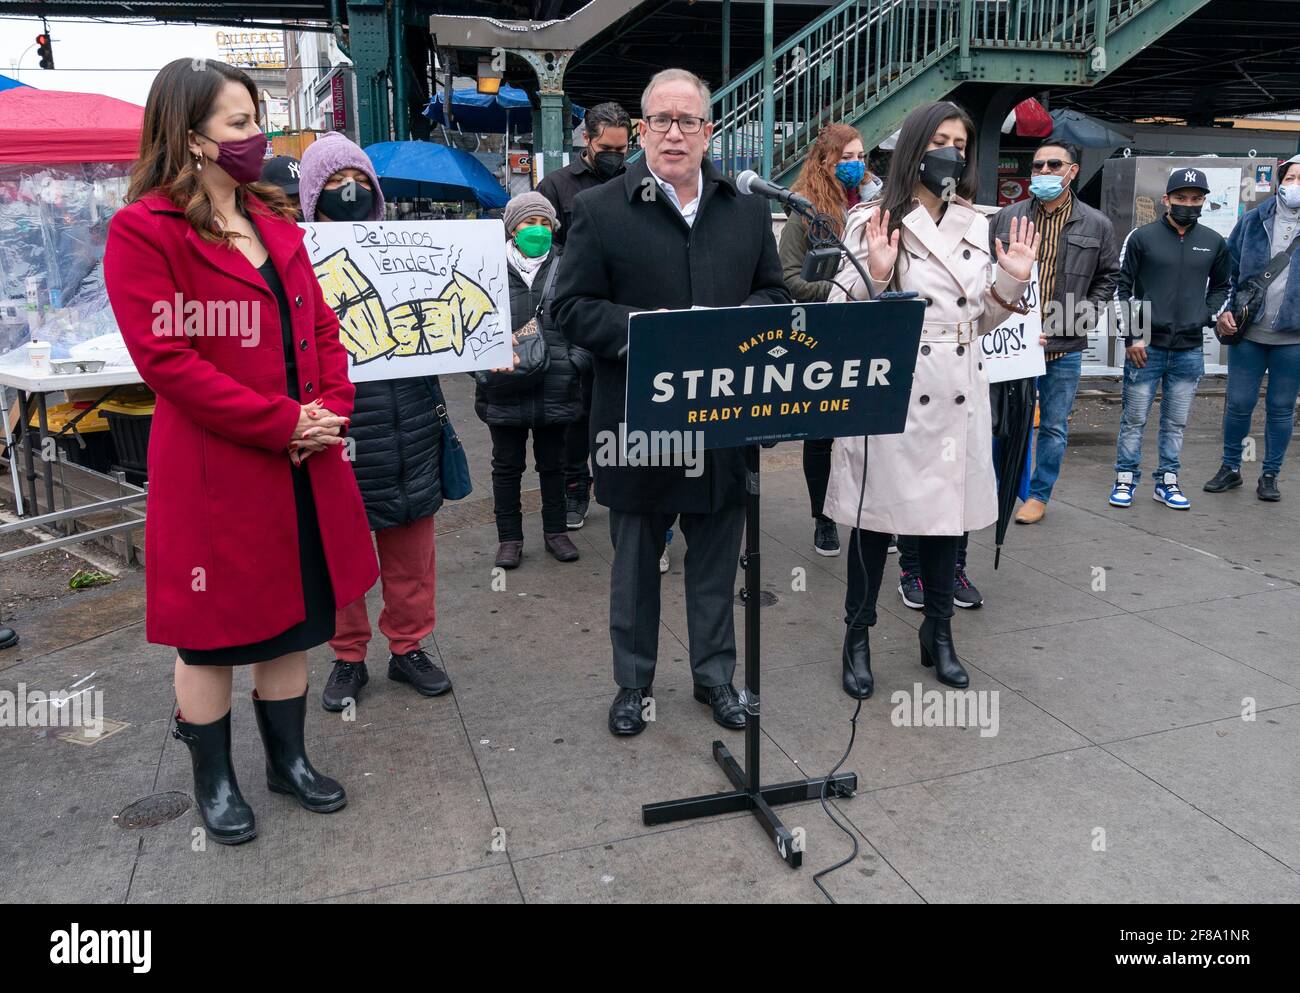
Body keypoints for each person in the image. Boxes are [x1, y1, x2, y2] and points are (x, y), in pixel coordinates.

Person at [103, 59, 379, 844]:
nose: (256, 136)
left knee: (291, 619)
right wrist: (282, 422)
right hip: (219, 472)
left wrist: (330, 408)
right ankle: (215, 779)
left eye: (255, 119)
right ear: (187, 138)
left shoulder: (275, 221)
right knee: (214, 632)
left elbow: (322, 329)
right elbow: (170, 363)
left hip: (301, 459)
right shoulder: (145, 231)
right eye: (237, 124)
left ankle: (287, 762)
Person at [553, 68, 789, 736]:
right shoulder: (601, 209)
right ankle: (634, 683)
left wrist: (734, 326)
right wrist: (649, 335)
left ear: (709, 131)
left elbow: (774, 293)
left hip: (721, 423)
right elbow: (569, 308)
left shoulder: (743, 208)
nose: (676, 133)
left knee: (716, 559)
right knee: (635, 565)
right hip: (637, 421)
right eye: (662, 120)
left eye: (689, 121)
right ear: (642, 130)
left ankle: (716, 677)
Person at [821, 99, 1037, 699]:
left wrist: (1011, 280)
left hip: (959, 388)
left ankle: (937, 633)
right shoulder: (874, 219)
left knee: (948, 524)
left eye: (961, 144)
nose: (951, 153)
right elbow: (842, 316)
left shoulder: (977, 222)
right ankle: (857, 636)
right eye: (940, 139)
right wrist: (881, 276)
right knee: (873, 521)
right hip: (894, 391)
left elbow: (981, 320)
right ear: (915, 147)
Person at [297, 132, 453, 711]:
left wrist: (487, 349)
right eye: (336, 183)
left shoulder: (408, 248)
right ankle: (347, 656)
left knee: (412, 551)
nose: (351, 192)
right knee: (341, 552)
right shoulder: (294, 262)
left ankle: (408, 647)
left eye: (361, 181)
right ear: (313, 196)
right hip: (336, 429)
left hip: (409, 421)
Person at [993, 139, 1120, 524]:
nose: (1044, 172)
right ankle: (999, 487)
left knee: (1052, 424)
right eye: (1038, 166)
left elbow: (1107, 277)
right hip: (1012, 344)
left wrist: (1073, 322)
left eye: (1053, 165)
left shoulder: (1096, 224)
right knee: (1003, 421)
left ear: (1072, 171)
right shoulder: (1007, 218)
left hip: (1063, 348)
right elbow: (986, 271)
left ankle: (1038, 495)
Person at [778, 123, 883, 557]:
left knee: (870, 429)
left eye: (861, 156)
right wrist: (845, 291)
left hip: (871, 335)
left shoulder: (880, 206)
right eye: (847, 157)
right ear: (826, 162)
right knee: (822, 433)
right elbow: (788, 279)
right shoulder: (805, 213)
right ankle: (824, 517)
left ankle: (872, 513)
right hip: (824, 336)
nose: (856, 164)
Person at [1110, 167, 1231, 511]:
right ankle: (1125, 478)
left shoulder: (1213, 241)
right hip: (1145, 347)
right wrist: (1133, 335)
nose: (1188, 204)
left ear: (1204, 201)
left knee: (1176, 423)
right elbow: (1122, 288)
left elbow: (1224, 286)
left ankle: (1167, 481)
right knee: (1134, 418)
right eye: (1181, 198)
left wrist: (1204, 314)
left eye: (1195, 199)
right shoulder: (1141, 237)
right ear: (1166, 199)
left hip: (1190, 349)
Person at [538, 103, 633, 533]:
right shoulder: (557, 186)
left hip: (626, 314)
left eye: (623, 147)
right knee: (575, 412)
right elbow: (536, 248)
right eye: (606, 147)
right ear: (587, 142)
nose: (615, 154)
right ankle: (577, 488)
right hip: (576, 317)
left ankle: (627, 488)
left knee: (626, 409)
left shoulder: (640, 183)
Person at [479, 191, 587, 567]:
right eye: (529, 222)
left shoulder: (569, 264)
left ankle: (555, 532)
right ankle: (509, 538)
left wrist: (574, 363)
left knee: (554, 464)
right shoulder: (486, 266)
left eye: (544, 222)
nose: (538, 230)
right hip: (503, 385)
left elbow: (585, 318)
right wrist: (484, 364)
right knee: (506, 467)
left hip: (556, 384)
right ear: (512, 228)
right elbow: (466, 323)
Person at [1205, 154, 1300, 502]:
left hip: (1294, 339)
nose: (1295, 185)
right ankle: (1231, 467)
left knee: (1280, 407)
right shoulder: (1253, 221)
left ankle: (1270, 474)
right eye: (1291, 178)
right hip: (1249, 332)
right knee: (1239, 403)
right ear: (1279, 181)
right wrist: (1223, 312)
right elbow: (1227, 271)